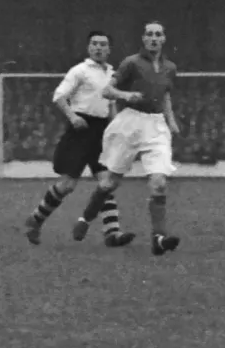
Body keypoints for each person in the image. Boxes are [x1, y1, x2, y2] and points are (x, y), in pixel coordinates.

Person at [78, 20, 183, 256]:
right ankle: (85, 218)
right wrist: (126, 95)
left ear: (164, 39)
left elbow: (165, 95)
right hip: (131, 122)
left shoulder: (170, 67)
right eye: (149, 34)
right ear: (144, 39)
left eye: (158, 34)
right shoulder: (131, 63)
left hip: (156, 125)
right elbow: (107, 91)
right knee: (110, 183)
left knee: (159, 183)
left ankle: (159, 238)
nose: (153, 38)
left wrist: (171, 120)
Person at [22, 30, 130, 247]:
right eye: (94, 44)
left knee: (106, 183)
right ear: (89, 48)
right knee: (67, 185)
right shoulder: (80, 70)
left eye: (103, 44)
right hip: (80, 129)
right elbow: (59, 96)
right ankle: (36, 219)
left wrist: (118, 128)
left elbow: (111, 105)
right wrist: (72, 117)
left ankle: (112, 233)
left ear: (109, 49)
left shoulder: (112, 74)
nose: (98, 47)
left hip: (101, 131)